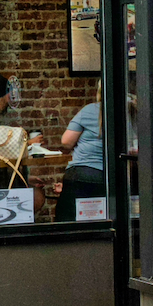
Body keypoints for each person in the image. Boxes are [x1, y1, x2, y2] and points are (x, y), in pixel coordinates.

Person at [55, 85, 105, 222]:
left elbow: (66, 142)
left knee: (68, 220)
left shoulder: (90, 110)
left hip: (82, 173)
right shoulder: (131, 110)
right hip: (114, 176)